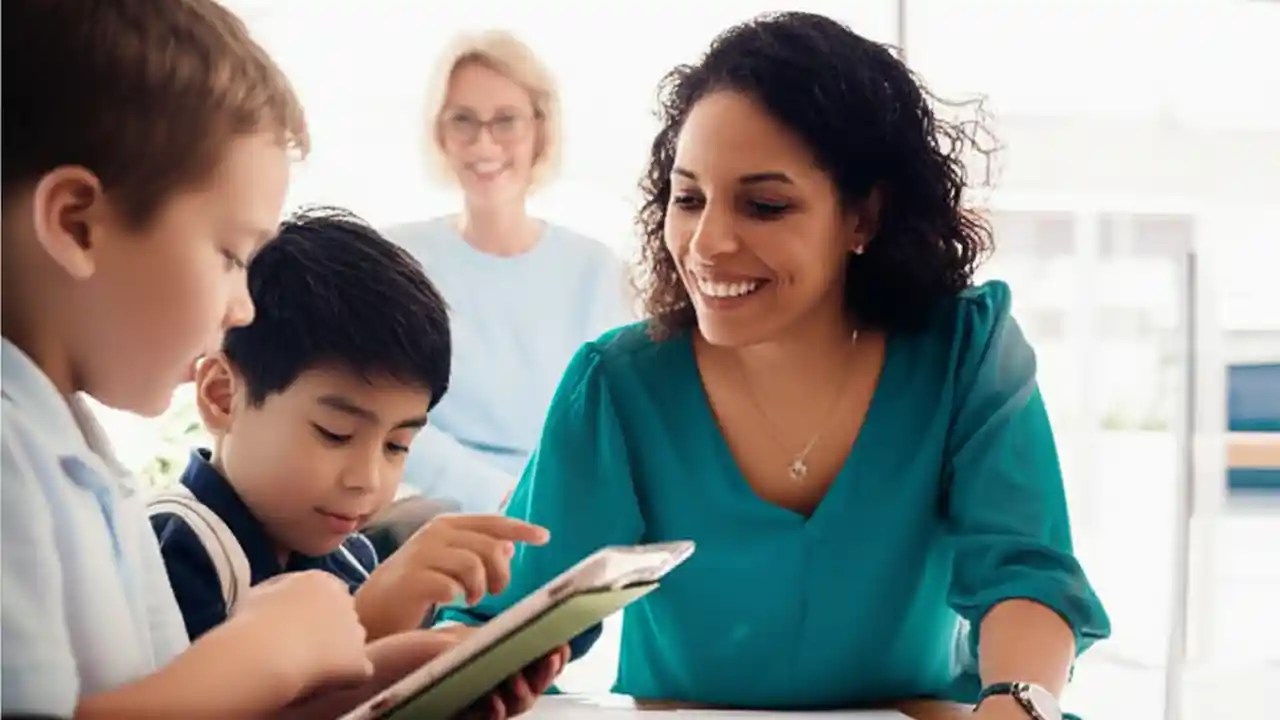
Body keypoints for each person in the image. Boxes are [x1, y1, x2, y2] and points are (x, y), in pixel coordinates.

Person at [440, 11, 1111, 719]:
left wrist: (1015, 702)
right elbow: (503, 626)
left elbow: (1027, 577)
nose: (706, 243)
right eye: (688, 197)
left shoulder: (965, 355)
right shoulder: (618, 386)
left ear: (864, 218)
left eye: (763, 205)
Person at [0, 2, 559, 717]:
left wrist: (377, 676)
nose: (241, 308)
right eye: (232, 256)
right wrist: (266, 653)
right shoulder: (14, 458)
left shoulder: (78, 452)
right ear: (78, 223)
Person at [151, 208, 557, 645]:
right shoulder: (177, 549)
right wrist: (368, 625)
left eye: (397, 446)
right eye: (336, 433)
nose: (368, 479)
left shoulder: (350, 558)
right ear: (222, 397)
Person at [385, 30, 633, 514]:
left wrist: (547, 501)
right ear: (440, 132)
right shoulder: (399, 259)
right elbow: (389, 417)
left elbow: (610, 422)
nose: (484, 143)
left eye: (505, 121)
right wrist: (501, 498)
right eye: (463, 121)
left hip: (563, 504)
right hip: (434, 513)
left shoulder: (596, 270)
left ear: (540, 130)